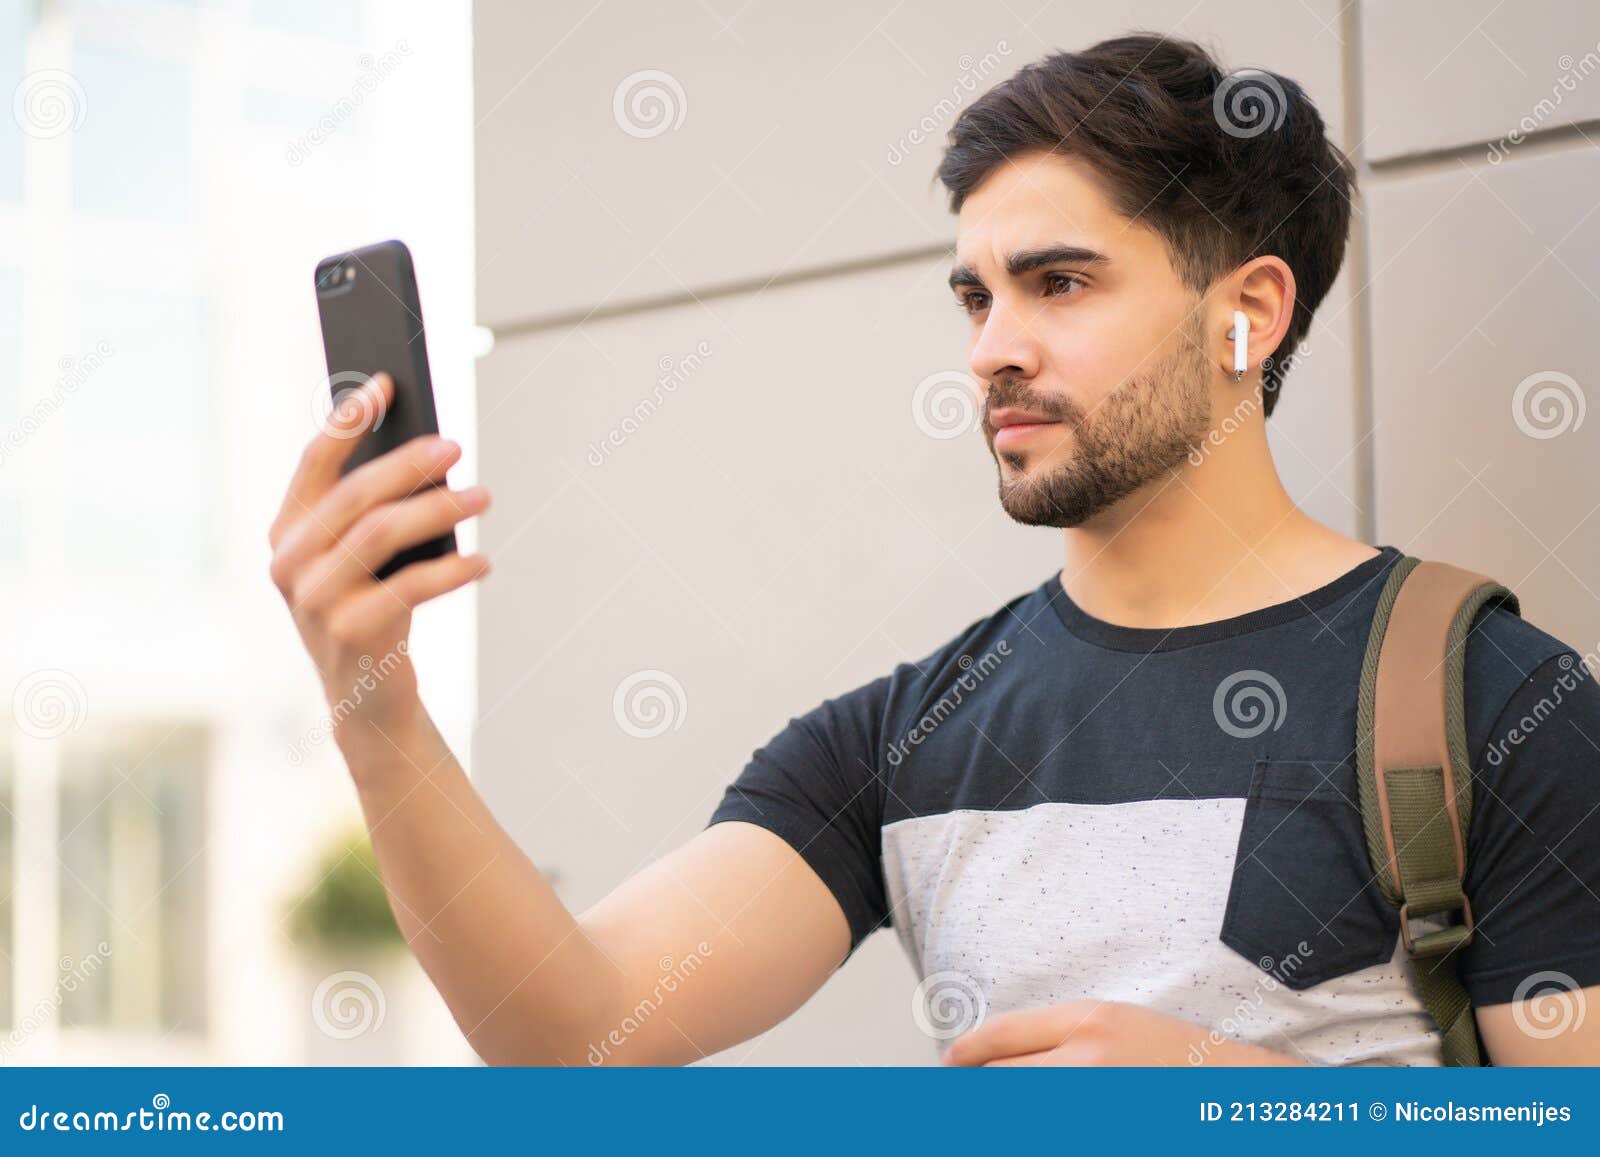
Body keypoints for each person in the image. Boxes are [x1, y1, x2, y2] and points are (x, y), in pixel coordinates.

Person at [267, 34, 1600, 1066]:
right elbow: (573, 1031)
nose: (991, 347)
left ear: (1247, 314)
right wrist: (371, 700)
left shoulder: (1487, 700)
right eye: (978, 293)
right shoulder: (908, 739)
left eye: (1058, 282)